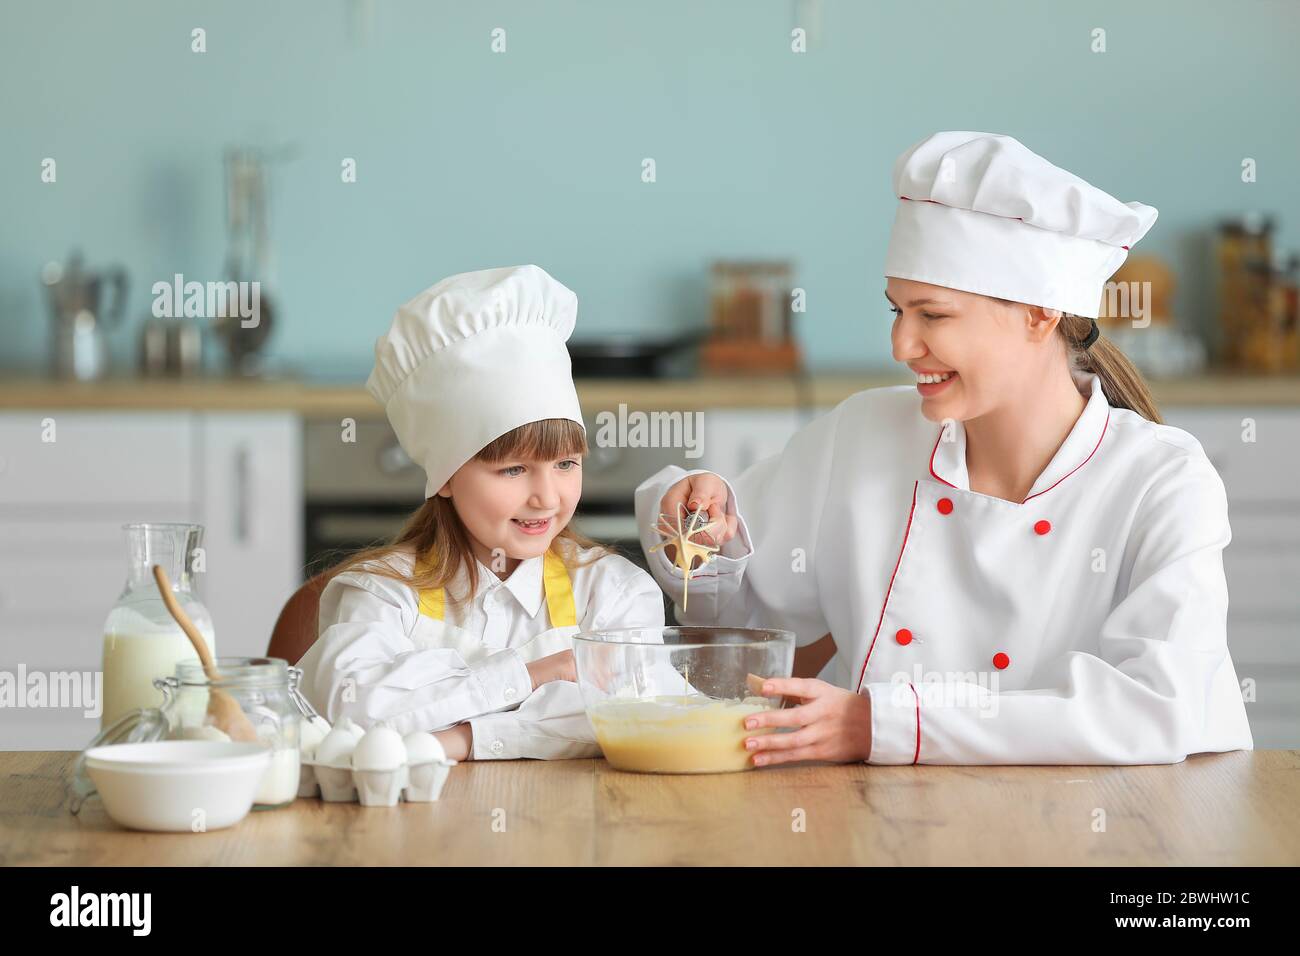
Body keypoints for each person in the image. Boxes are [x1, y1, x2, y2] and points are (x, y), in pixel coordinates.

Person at [636, 131, 1254, 767]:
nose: (902, 345)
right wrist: (700, 527)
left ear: (1041, 314)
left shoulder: (1163, 480)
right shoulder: (865, 434)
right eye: (897, 310)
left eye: (932, 316)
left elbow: (1152, 709)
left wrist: (879, 726)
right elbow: (733, 622)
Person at [300, 264, 664, 760]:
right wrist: (534, 674)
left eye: (565, 464)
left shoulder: (615, 593)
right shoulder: (381, 595)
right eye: (514, 470)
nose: (547, 497)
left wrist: (458, 738)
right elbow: (353, 709)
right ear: (446, 476)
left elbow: (635, 717)